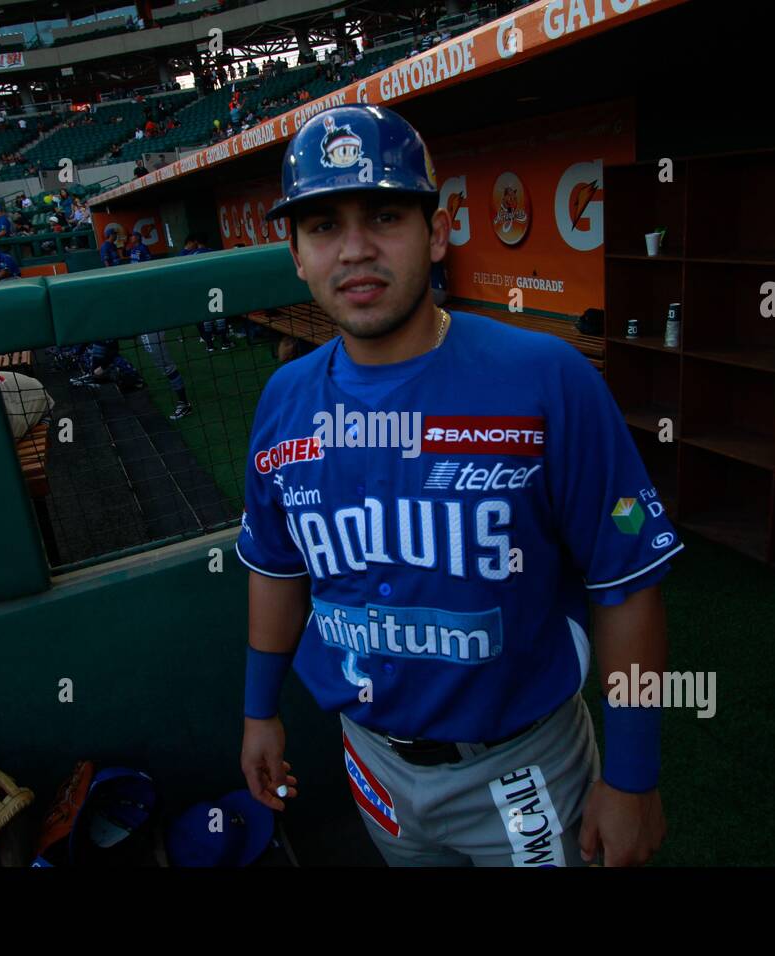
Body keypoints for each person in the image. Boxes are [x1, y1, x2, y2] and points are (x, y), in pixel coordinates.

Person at [236, 105, 679, 868]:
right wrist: (258, 711)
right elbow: (277, 570)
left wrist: (633, 775)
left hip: (525, 764)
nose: (356, 250)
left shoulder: (546, 378)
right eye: (322, 226)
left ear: (438, 234)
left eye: (384, 215)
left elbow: (627, 581)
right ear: (297, 256)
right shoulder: (283, 400)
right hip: (370, 759)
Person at [181, 235, 228, 352]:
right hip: (214, 286)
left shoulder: (191, 254)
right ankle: (224, 343)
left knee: (206, 317)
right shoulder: (213, 252)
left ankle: (209, 345)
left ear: (197, 242)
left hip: (199, 288)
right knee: (219, 315)